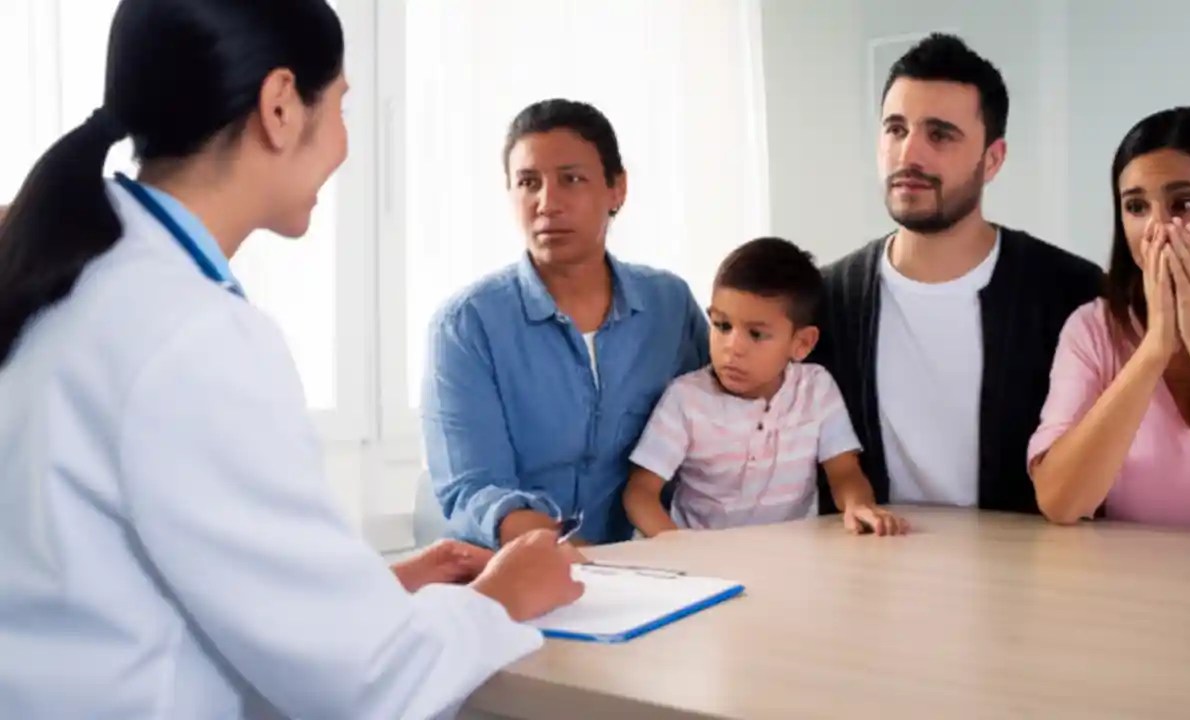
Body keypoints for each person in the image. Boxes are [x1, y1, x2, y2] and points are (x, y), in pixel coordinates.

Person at [0, 2, 582, 718]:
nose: (344, 143)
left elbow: (129, 582)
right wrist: (501, 598)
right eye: (341, 106)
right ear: (280, 107)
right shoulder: (191, 333)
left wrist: (367, 594)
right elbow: (370, 684)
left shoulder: (75, 277)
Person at [812, 33, 1101, 517]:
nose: (909, 155)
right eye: (896, 129)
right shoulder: (826, 301)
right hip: (869, 557)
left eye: (940, 135)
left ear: (993, 159)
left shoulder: (1071, 294)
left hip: (1027, 558)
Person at [419, 99, 708, 549]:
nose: (547, 203)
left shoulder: (669, 306)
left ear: (617, 189)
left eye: (571, 179)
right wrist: (588, 562)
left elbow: (720, 427)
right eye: (528, 183)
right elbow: (474, 491)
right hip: (514, 568)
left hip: (655, 564)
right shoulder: (465, 325)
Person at [1030, 107, 1190, 535]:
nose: (1158, 228)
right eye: (1136, 207)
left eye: (1185, 203)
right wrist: (1155, 347)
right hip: (1131, 575)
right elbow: (1061, 501)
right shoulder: (1092, 329)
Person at [624, 238, 907, 536]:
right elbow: (640, 493)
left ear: (802, 343)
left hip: (791, 556)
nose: (732, 347)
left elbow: (845, 472)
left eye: (756, 334)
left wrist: (858, 505)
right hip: (704, 559)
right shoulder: (686, 399)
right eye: (722, 326)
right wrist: (679, 546)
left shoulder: (816, 388)